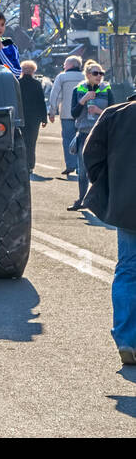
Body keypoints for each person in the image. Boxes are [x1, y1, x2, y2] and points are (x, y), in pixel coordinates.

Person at [77, 91, 136, 365]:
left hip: (128, 206)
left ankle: (126, 339)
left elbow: (90, 156)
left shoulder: (114, 114)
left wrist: (109, 185)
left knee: (127, 270)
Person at [70, 60, 114, 211]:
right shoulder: (78, 90)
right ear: (87, 75)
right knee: (82, 171)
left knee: (101, 170)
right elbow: (74, 114)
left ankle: (102, 202)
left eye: (101, 73)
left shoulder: (107, 89)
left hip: (102, 135)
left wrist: (98, 111)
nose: (99, 76)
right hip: (84, 134)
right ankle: (81, 200)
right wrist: (83, 100)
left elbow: (114, 114)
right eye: (95, 73)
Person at [49, 55, 85, 179]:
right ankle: (82, 168)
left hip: (67, 114)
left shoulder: (62, 77)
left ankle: (71, 165)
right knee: (83, 140)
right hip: (84, 114)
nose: (63, 65)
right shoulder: (85, 76)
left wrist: (52, 112)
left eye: (65, 63)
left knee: (68, 140)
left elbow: (55, 96)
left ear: (71, 65)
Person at [18, 59, 48, 175]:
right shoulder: (36, 84)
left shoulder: (17, 83)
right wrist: (44, 119)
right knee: (32, 142)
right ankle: (30, 165)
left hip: (21, 116)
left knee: (21, 140)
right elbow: (41, 101)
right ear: (33, 71)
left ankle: (22, 163)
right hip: (34, 118)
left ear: (22, 70)